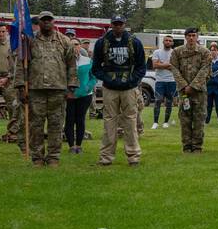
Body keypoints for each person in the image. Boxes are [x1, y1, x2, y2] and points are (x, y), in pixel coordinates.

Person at [91, 14, 145, 167]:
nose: (118, 26)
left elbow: (141, 67)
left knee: (130, 122)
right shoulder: (102, 43)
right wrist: (109, 80)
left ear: (124, 24)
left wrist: (132, 81)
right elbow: (95, 67)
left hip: (129, 89)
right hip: (110, 89)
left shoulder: (134, 42)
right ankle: (106, 157)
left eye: (120, 24)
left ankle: (134, 157)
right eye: (115, 23)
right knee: (109, 123)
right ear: (111, 25)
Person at [25, 12, 77, 167]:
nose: (46, 23)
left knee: (56, 124)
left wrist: (71, 87)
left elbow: (72, 65)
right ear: (39, 23)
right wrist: (21, 86)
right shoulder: (30, 41)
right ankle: (38, 158)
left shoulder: (64, 41)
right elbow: (22, 64)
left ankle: (53, 156)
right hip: (36, 89)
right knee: (36, 125)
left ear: (54, 22)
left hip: (58, 89)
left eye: (49, 20)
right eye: (43, 20)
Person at [170, 27, 212, 153]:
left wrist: (193, 86)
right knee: (185, 119)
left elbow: (205, 70)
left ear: (197, 37)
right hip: (183, 92)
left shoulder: (205, 52)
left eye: (194, 35)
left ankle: (197, 147)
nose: (191, 38)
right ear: (185, 37)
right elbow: (174, 69)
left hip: (199, 92)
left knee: (199, 119)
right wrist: (184, 86)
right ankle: (187, 146)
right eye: (189, 35)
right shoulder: (177, 52)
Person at [65, 40, 96, 155]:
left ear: (80, 46)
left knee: (80, 120)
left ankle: (79, 145)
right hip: (69, 95)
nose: (74, 47)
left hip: (85, 95)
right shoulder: (64, 61)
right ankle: (71, 146)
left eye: (76, 44)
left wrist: (88, 87)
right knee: (69, 120)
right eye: (71, 45)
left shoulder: (87, 61)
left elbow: (93, 77)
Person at [150, 35, 176, 129]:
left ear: (172, 43)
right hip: (160, 80)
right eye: (166, 40)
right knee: (158, 100)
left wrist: (161, 64)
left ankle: (166, 122)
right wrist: (168, 65)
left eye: (170, 41)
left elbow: (176, 66)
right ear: (163, 42)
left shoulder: (174, 52)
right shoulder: (157, 52)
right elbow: (155, 65)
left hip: (172, 80)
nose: (168, 42)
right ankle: (155, 122)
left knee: (169, 102)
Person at [205, 43, 218, 125]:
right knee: (207, 105)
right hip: (208, 86)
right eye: (211, 50)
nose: (213, 52)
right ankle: (206, 121)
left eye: (215, 50)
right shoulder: (207, 61)